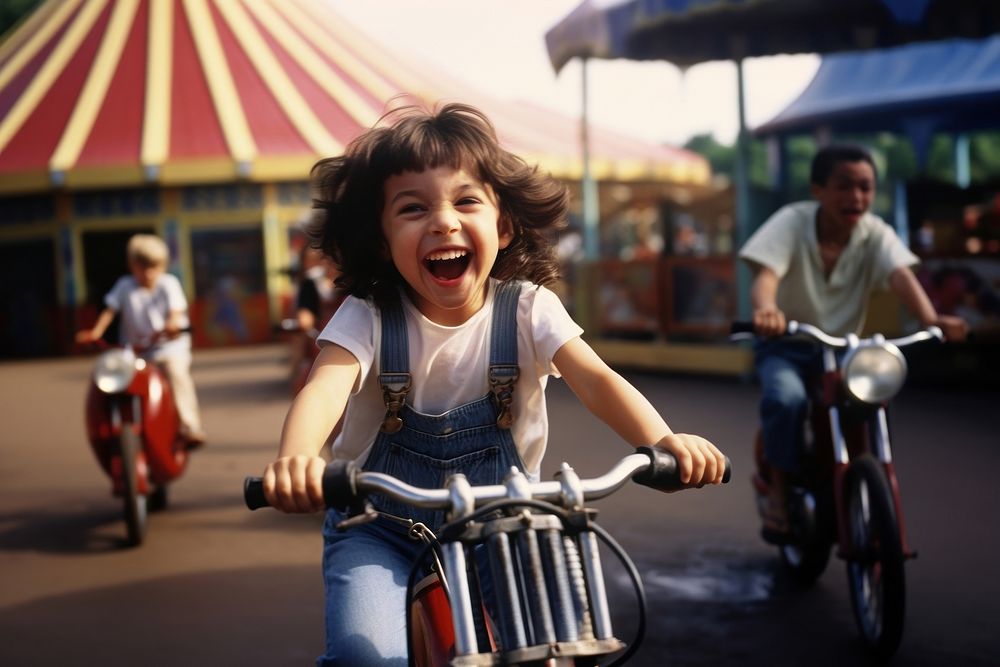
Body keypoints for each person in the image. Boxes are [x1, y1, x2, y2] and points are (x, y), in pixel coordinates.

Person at [260, 103, 728, 666]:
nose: (443, 221)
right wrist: (297, 459)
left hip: (503, 520)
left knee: (557, 646)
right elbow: (324, 388)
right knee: (367, 659)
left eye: (466, 201)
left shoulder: (530, 310)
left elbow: (597, 379)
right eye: (412, 209)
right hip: (376, 526)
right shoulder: (369, 315)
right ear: (383, 241)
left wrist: (663, 443)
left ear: (503, 226)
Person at [739, 143, 967, 538]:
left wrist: (932, 319)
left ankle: (866, 475)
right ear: (818, 190)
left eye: (865, 187)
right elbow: (766, 278)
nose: (857, 197)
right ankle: (778, 494)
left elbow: (899, 274)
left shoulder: (874, 233)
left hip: (846, 350)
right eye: (844, 186)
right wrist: (767, 311)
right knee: (785, 399)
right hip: (788, 345)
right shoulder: (791, 222)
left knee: (871, 398)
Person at [76, 234, 207, 447]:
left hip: (168, 348)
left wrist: (172, 325)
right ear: (132, 266)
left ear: (163, 266)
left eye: (154, 267)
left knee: (176, 374)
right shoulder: (124, 286)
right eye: (142, 267)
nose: (148, 273)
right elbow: (110, 310)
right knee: (112, 379)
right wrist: (96, 332)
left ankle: (190, 425)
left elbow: (175, 311)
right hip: (135, 351)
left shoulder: (168, 284)